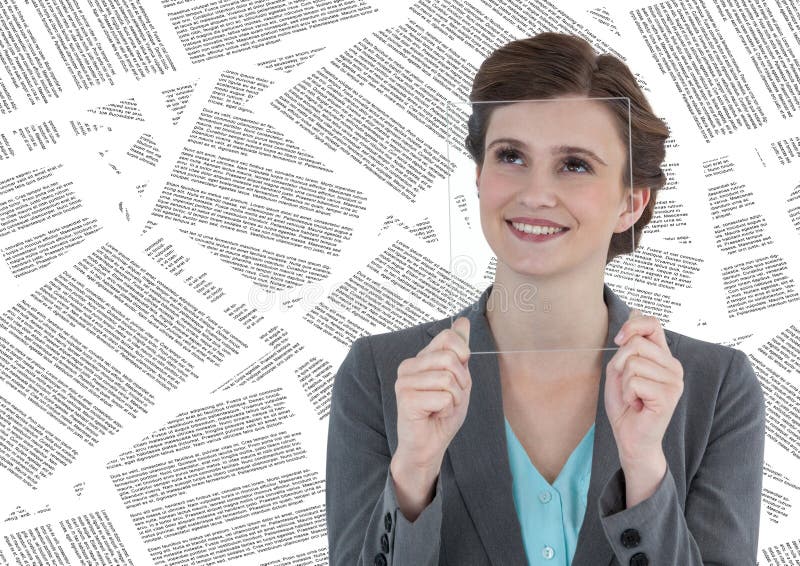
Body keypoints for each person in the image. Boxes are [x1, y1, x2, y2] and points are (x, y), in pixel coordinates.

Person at [326, 32, 765, 566]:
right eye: (510, 156)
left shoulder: (717, 386)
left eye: (574, 164)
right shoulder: (380, 374)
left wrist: (645, 467)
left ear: (631, 203)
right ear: (480, 178)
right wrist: (414, 474)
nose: (534, 193)